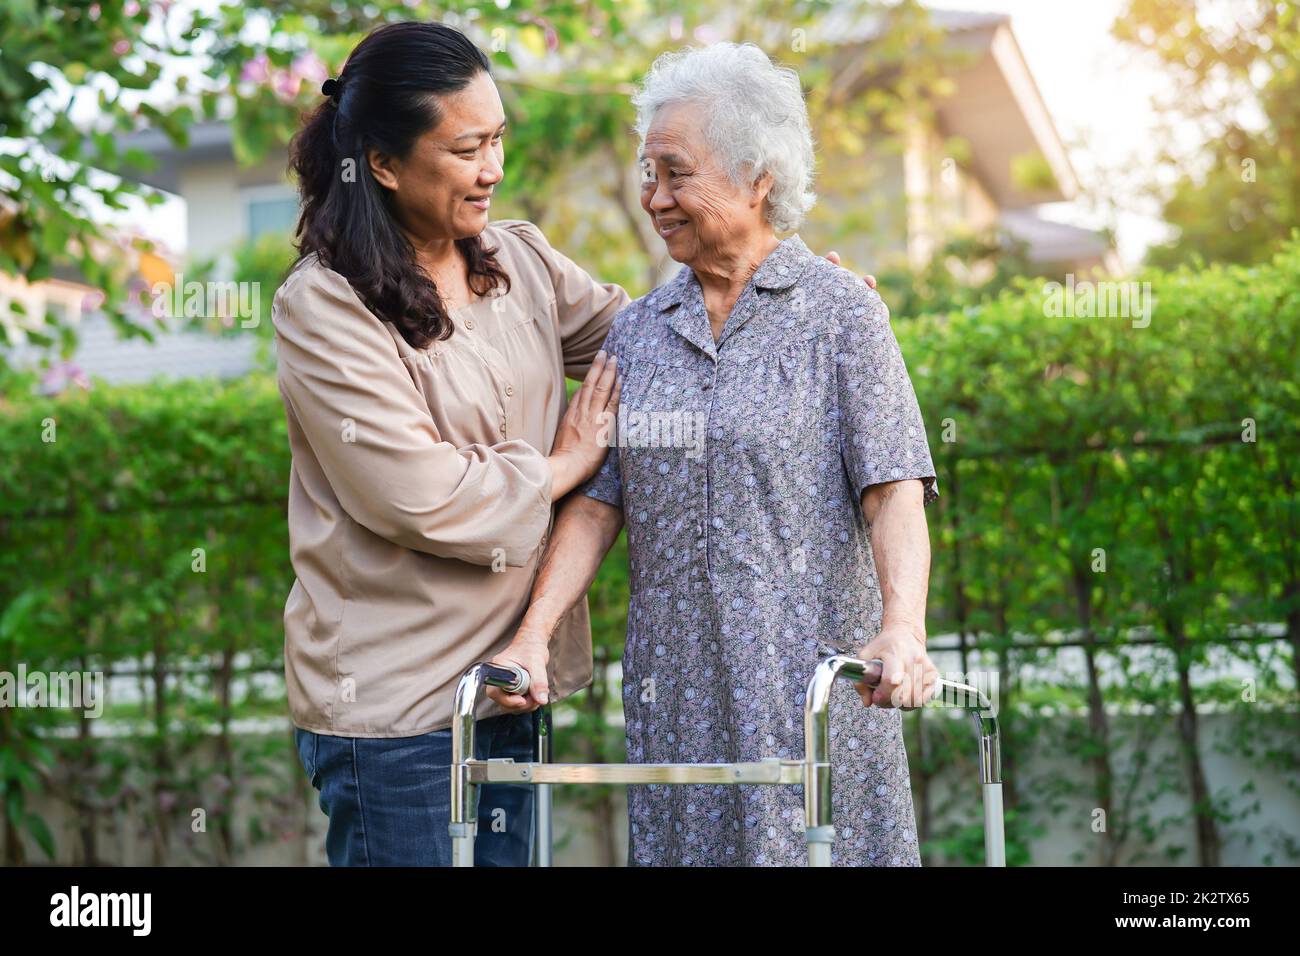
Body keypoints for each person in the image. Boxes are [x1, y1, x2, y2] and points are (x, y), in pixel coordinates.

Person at [505, 42, 942, 866]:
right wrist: (533, 635)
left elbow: (894, 490)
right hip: (679, 691)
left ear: (757, 177)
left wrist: (903, 630)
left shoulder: (843, 315)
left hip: (813, 680)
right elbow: (598, 507)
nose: (654, 197)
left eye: (676, 174)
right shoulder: (639, 329)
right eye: (647, 174)